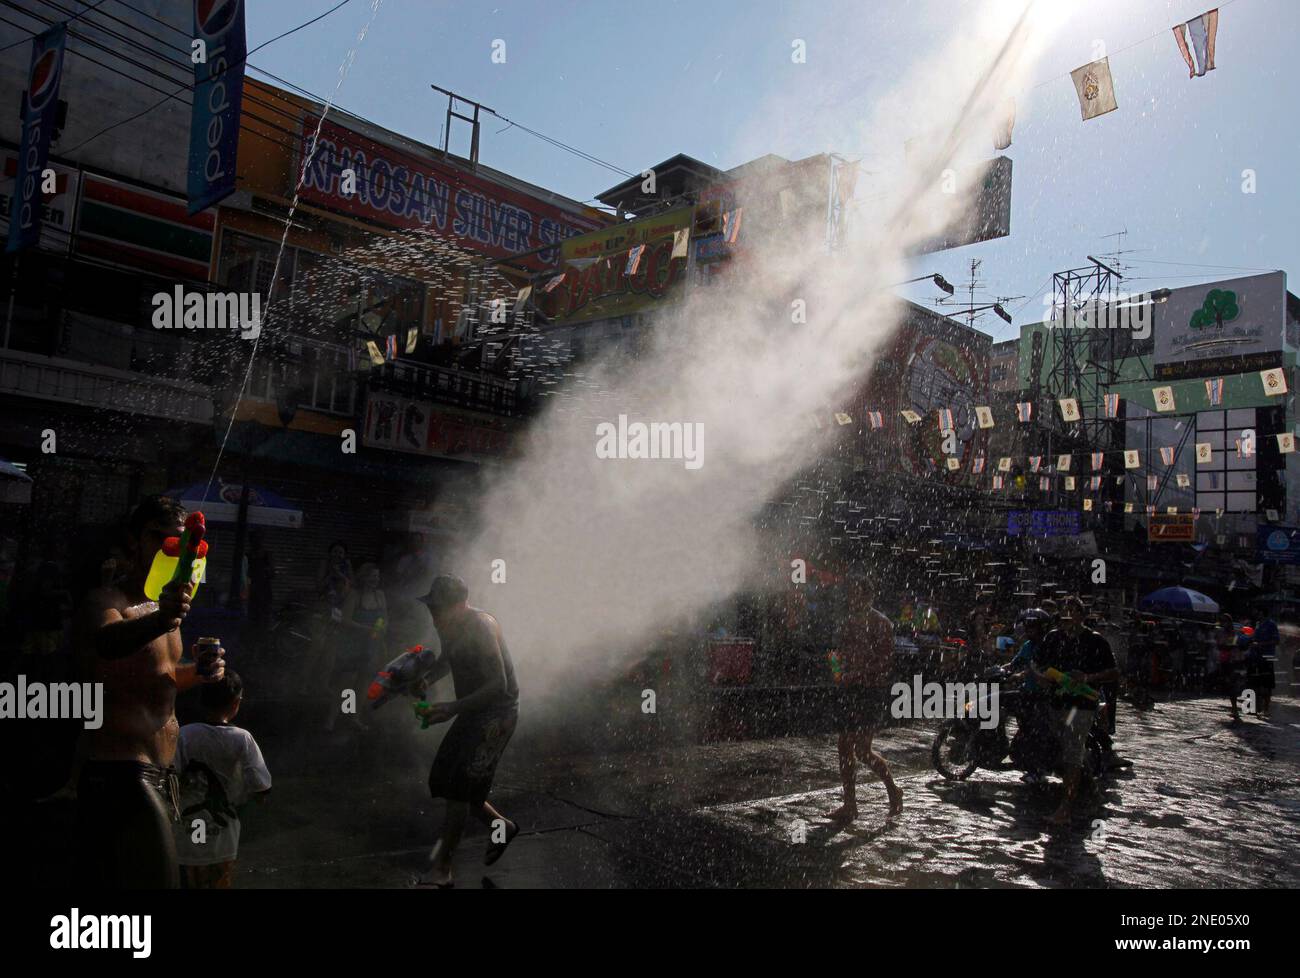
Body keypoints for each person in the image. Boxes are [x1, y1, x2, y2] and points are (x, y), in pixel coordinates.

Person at [73, 495, 226, 888]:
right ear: (133, 541)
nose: (169, 549)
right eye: (159, 538)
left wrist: (200, 672)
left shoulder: (167, 605)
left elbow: (161, 678)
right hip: (121, 772)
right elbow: (107, 643)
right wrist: (163, 618)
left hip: (162, 772)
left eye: (179, 541)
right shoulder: (108, 600)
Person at [415, 575, 520, 888]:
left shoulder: (480, 626)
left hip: (496, 715)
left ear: (460, 605)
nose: (434, 615)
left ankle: (442, 868)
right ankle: (501, 826)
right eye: (432, 608)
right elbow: (448, 659)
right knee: (446, 779)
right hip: (474, 712)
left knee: (461, 787)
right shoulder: (450, 627)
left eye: (440, 608)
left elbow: (497, 685)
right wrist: (427, 679)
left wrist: (451, 708)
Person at [173, 671, 271, 888]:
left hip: (184, 833)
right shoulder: (242, 739)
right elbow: (261, 785)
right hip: (223, 835)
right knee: (220, 880)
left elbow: (171, 777)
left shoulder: (184, 734)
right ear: (236, 703)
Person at [1030, 596, 1118, 825]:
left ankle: (1065, 810)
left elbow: (1113, 672)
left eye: (1072, 612)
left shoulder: (1095, 641)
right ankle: (1093, 795)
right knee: (1068, 753)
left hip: (1081, 706)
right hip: (1055, 703)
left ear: (1081, 615)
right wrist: (1040, 677)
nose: (1067, 617)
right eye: (1064, 613)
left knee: (1071, 753)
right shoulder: (1053, 638)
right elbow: (1036, 662)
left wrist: (1088, 677)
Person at [829, 570, 902, 824]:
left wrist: (859, 673)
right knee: (843, 746)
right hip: (850, 690)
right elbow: (838, 653)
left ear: (869, 597)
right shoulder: (848, 622)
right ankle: (850, 805)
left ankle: (893, 789)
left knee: (862, 750)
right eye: (851, 596)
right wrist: (838, 672)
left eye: (858, 595)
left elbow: (885, 662)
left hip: (871, 691)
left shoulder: (882, 623)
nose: (854, 600)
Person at [325, 562, 386, 732]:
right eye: (372, 576)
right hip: (352, 644)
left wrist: (380, 635)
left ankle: (353, 717)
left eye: (377, 576)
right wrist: (367, 629)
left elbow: (384, 619)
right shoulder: (354, 595)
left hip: (371, 644)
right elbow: (344, 620)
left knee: (363, 683)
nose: (375, 579)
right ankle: (332, 719)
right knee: (346, 682)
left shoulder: (380, 595)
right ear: (364, 577)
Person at [1008, 608, 1052, 783]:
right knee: (1024, 726)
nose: (1029, 631)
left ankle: (1037, 770)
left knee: (1035, 731)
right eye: (1027, 627)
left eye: (1032, 627)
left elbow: (1037, 668)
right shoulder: (1027, 645)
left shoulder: (1046, 646)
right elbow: (1016, 663)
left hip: (1041, 695)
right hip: (1026, 692)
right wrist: (1002, 670)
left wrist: (1023, 674)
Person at [1213, 612, 1245, 723]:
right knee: (1227, 684)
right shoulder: (1221, 632)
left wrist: (1224, 645)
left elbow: (1231, 645)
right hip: (1224, 660)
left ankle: (1235, 709)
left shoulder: (1233, 633)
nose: (1223, 623)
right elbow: (1219, 644)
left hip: (1232, 661)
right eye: (1222, 621)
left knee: (1231, 684)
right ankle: (1234, 708)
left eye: (1224, 621)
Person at [1247, 614, 1277, 719]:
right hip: (1255, 658)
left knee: (1267, 685)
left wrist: (1261, 644)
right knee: (1255, 684)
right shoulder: (1257, 625)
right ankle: (1254, 707)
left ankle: (1266, 708)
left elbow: (1275, 641)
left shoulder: (1271, 625)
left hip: (1267, 658)